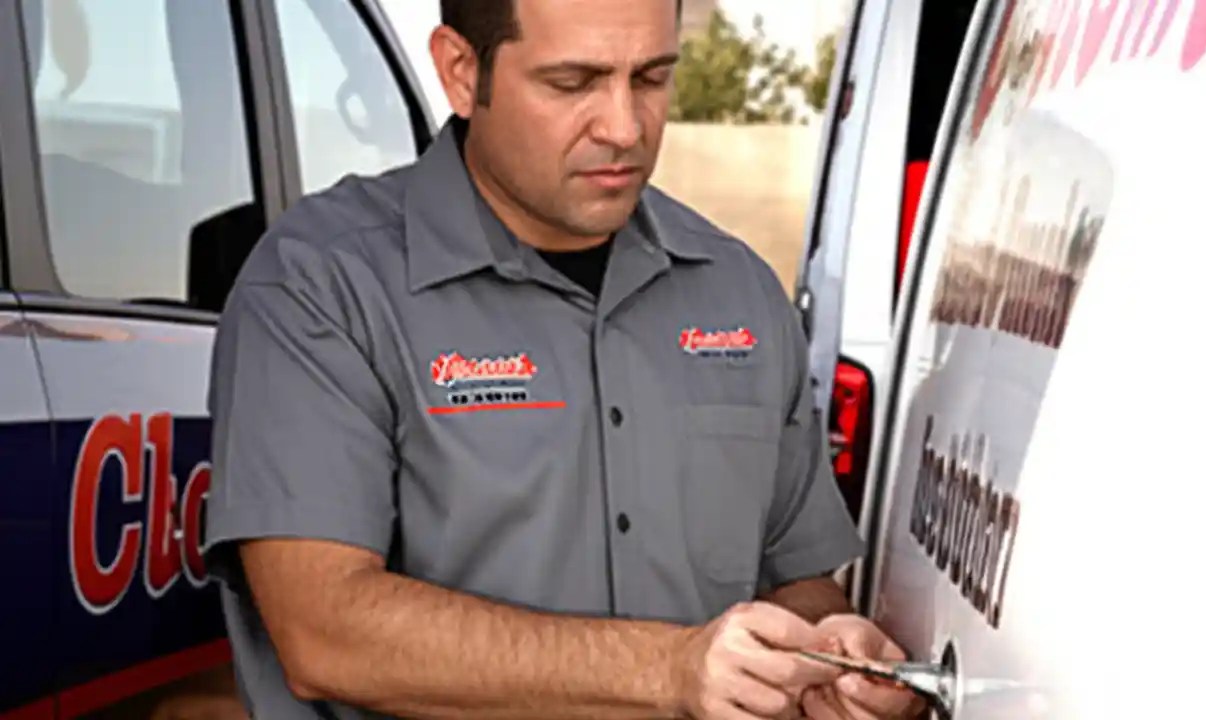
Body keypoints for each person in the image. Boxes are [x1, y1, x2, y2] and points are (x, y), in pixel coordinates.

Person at [203, 0, 922, 718]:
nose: (624, 127)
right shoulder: (320, 286)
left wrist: (832, 657)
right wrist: (669, 668)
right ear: (461, 71)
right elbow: (323, 630)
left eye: (651, 77)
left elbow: (799, 579)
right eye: (573, 82)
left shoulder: (738, 293)